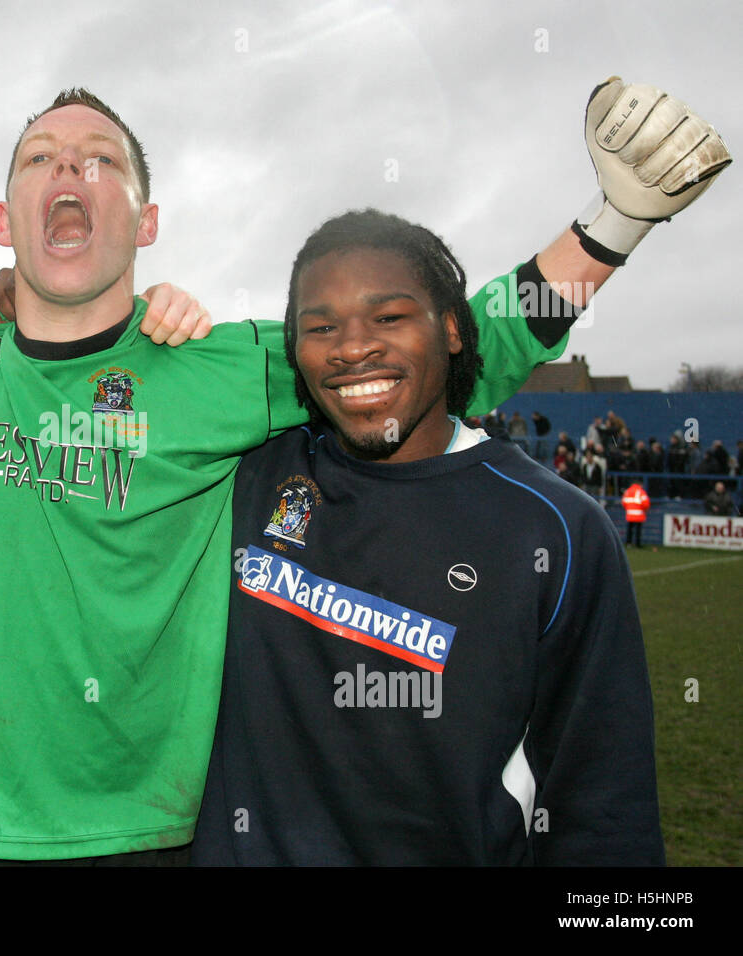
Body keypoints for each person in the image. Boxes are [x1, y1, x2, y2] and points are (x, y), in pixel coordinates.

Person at [0, 64, 725, 863]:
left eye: (102, 157)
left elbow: (440, 337)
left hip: (134, 840)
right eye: (40, 157)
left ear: (145, 220)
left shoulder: (216, 367)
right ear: (4, 220)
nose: (71, 170)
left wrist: (609, 226)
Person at [193, 210, 663, 864]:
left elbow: (604, 808)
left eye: (388, 318)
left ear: (450, 329)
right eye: (321, 327)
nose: (353, 347)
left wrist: (610, 228)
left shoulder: (556, 530)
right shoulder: (245, 477)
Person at [622, 480, 651, 547]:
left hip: (629, 514)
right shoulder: (641, 492)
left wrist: (628, 508)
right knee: (638, 530)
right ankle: (637, 544)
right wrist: (644, 510)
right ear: (640, 485)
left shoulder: (628, 491)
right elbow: (646, 503)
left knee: (630, 530)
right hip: (639, 514)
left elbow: (624, 502)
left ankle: (628, 543)